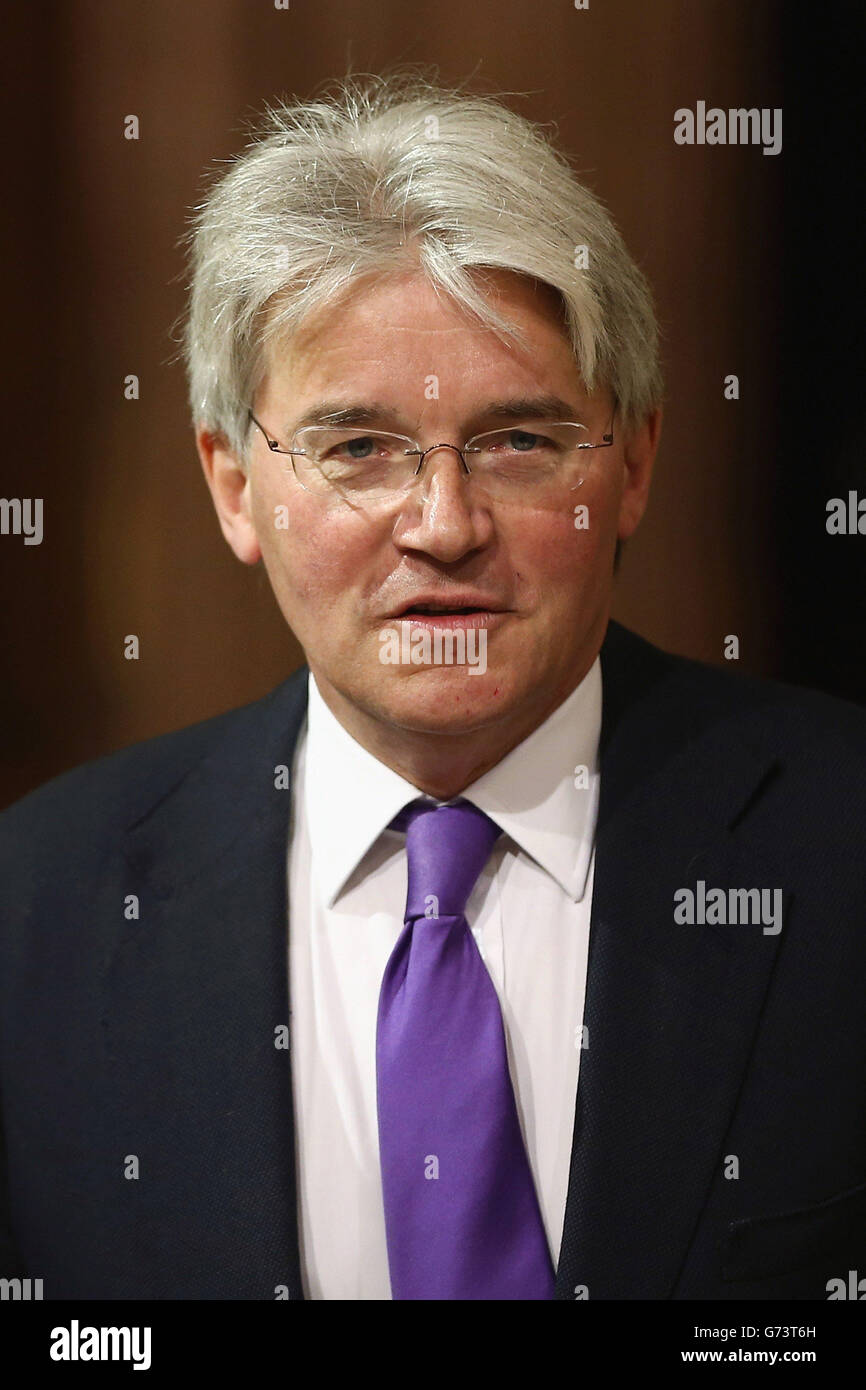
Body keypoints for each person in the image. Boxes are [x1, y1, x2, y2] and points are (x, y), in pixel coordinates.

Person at [1, 73, 864, 1302]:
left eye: (518, 441)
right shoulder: (37, 912)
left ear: (633, 465)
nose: (444, 525)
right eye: (358, 448)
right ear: (235, 486)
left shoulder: (839, 842)